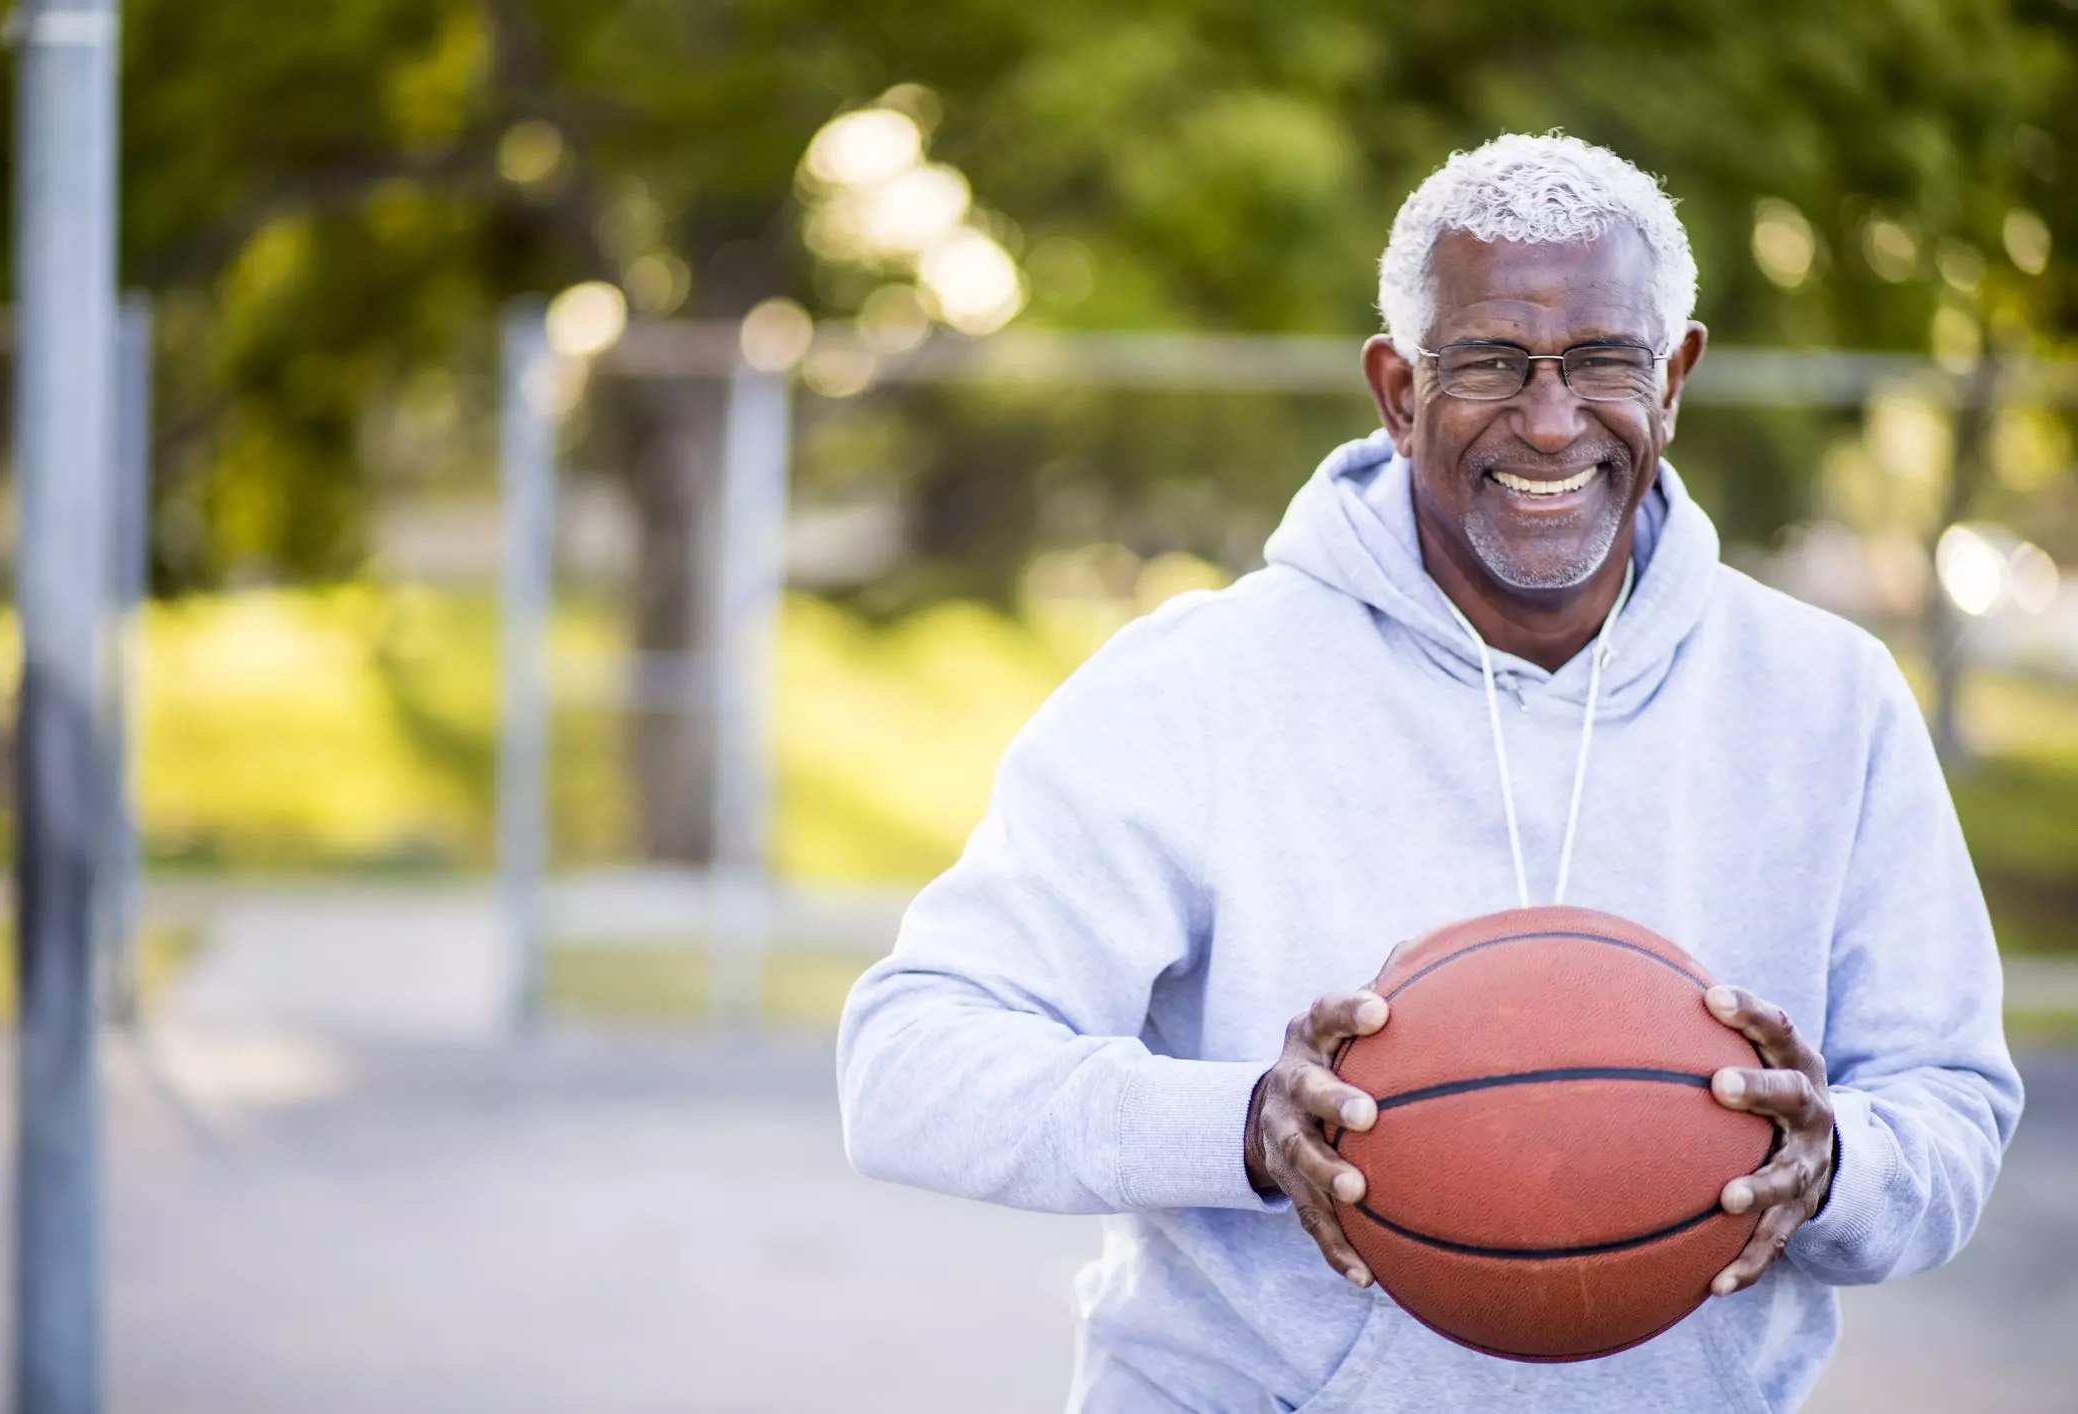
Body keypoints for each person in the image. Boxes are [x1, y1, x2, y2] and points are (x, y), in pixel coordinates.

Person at [836, 133, 2022, 1413]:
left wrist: (1838, 1160)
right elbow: (909, 1063)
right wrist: (1241, 1124)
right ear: (1399, 390)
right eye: (1490, 364)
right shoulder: (1195, 685)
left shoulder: (1827, 701)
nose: (1552, 418)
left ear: (1673, 379)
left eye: (1604, 362)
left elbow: (1950, 1101)